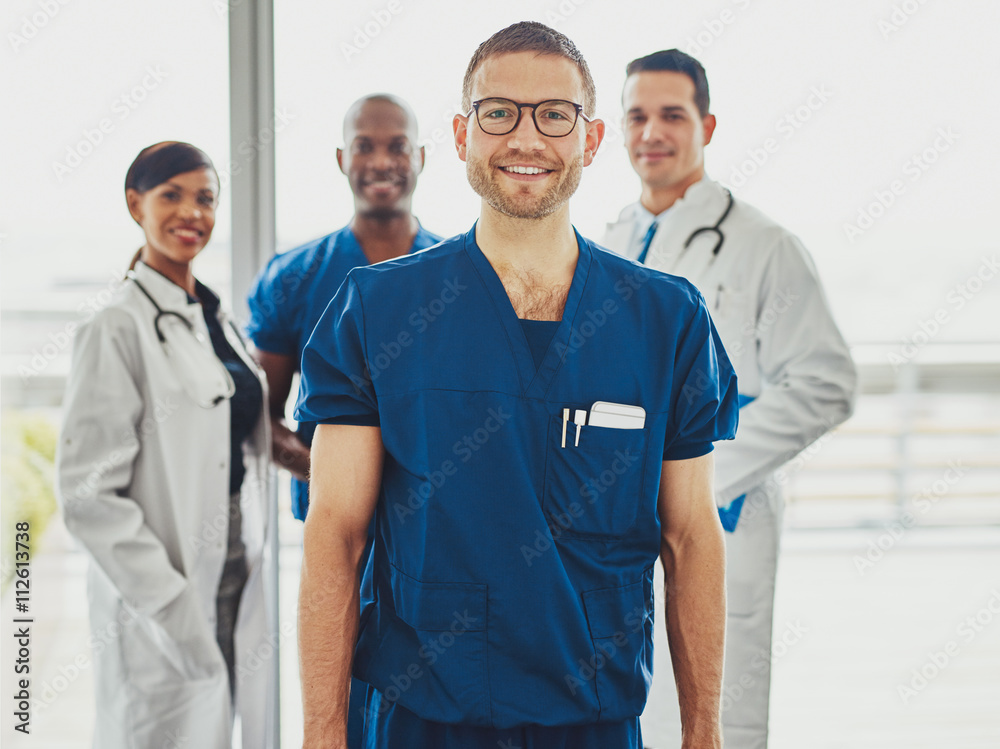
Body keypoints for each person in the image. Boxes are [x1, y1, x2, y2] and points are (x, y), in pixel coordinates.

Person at [295, 22, 739, 749]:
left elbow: (690, 536)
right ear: (464, 135)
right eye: (498, 112)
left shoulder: (665, 319)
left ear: (591, 140)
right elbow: (335, 535)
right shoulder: (377, 311)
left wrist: (705, 733)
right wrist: (320, 734)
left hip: (593, 718)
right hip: (422, 716)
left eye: (554, 114)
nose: (525, 138)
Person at [602, 50, 857, 749]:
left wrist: (705, 474)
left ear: (706, 126)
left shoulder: (763, 245)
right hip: (620, 517)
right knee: (631, 703)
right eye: (636, 115)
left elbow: (826, 381)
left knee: (716, 713)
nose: (652, 131)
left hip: (721, 513)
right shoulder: (612, 237)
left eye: (671, 115)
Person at [57, 142, 274, 748]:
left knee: (226, 721)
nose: (192, 213)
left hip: (235, 566)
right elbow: (86, 493)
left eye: (206, 198)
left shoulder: (212, 316)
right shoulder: (116, 325)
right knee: (166, 731)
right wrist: (169, 597)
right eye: (171, 196)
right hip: (167, 586)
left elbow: (239, 431)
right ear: (136, 204)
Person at [246, 94, 441, 523]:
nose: (381, 162)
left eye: (398, 146)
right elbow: (261, 418)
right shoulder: (293, 278)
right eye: (364, 146)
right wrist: (330, 477)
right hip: (330, 517)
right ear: (341, 158)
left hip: (433, 522)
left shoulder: (458, 278)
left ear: (421, 157)